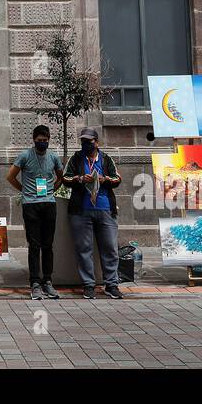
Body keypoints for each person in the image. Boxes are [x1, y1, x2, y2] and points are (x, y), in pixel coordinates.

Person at [63, 127, 123, 300]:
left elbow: (117, 178)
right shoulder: (76, 158)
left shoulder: (106, 159)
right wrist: (80, 178)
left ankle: (111, 284)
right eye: (83, 142)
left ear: (96, 142)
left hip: (105, 210)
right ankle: (88, 285)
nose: (86, 145)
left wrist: (105, 179)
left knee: (110, 248)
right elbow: (65, 178)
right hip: (81, 211)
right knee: (84, 249)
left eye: (89, 142)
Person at [7, 124, 64, 300]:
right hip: (30, 204)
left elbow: (61, 177)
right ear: (34, 140)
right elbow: (10, 176)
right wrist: (24, 190)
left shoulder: (53, 157)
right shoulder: (25, 156)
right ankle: (35, 283)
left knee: (48, 245)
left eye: (45, 141)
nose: (43, 144)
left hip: (48, 204)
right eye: (40, 141)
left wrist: (51, 190)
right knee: (34, 245)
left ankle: (48, 281)